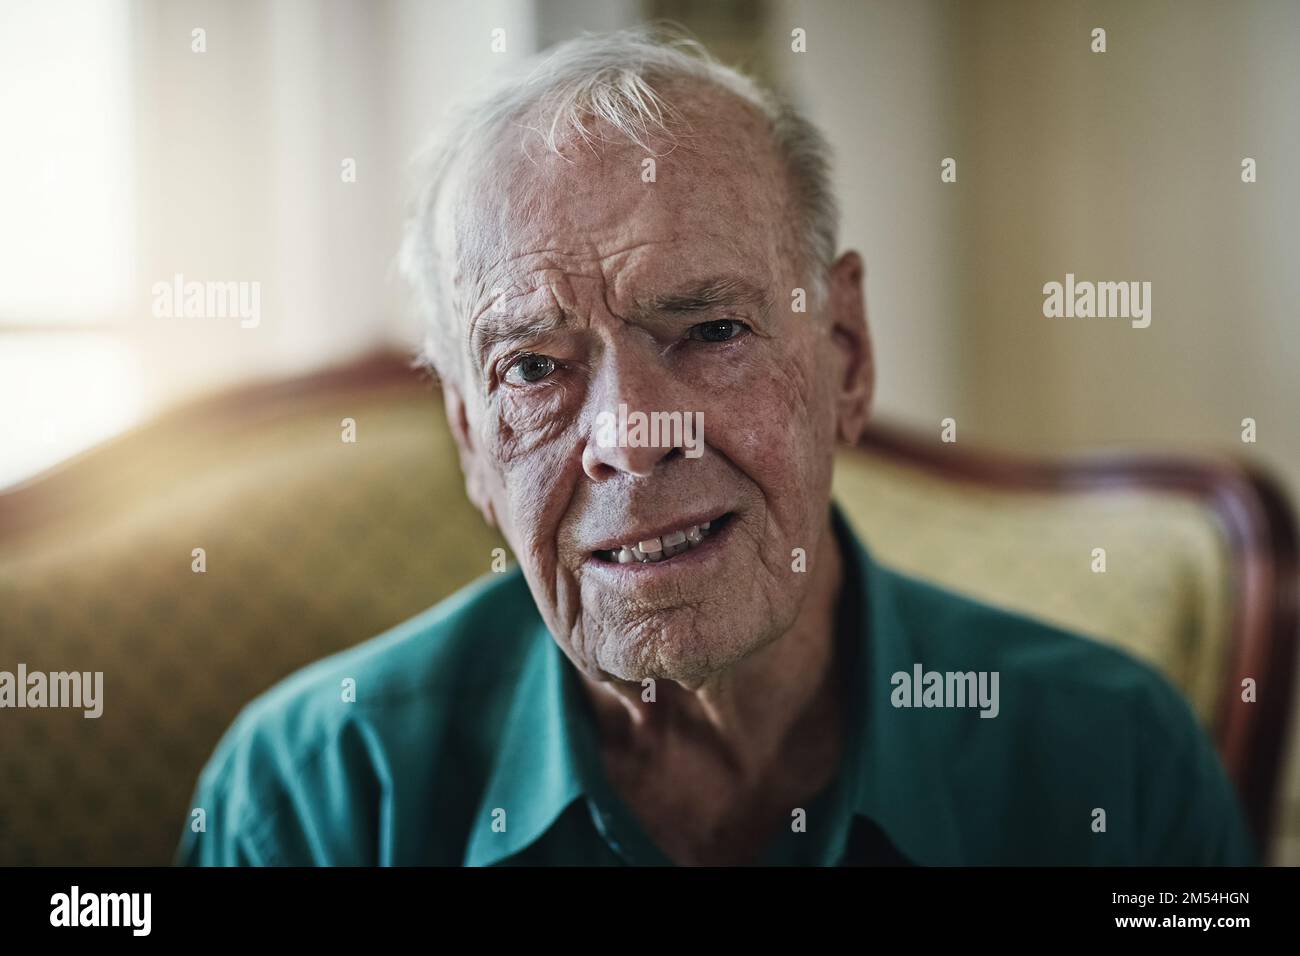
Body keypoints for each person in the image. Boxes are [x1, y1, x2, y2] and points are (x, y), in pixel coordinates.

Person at [177, 27, 1254, 867]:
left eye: (709, 332)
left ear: (844, 352)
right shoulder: (312, 795)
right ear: (469, 437)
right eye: (534, 369)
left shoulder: (1108, 755)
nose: (629, 441)